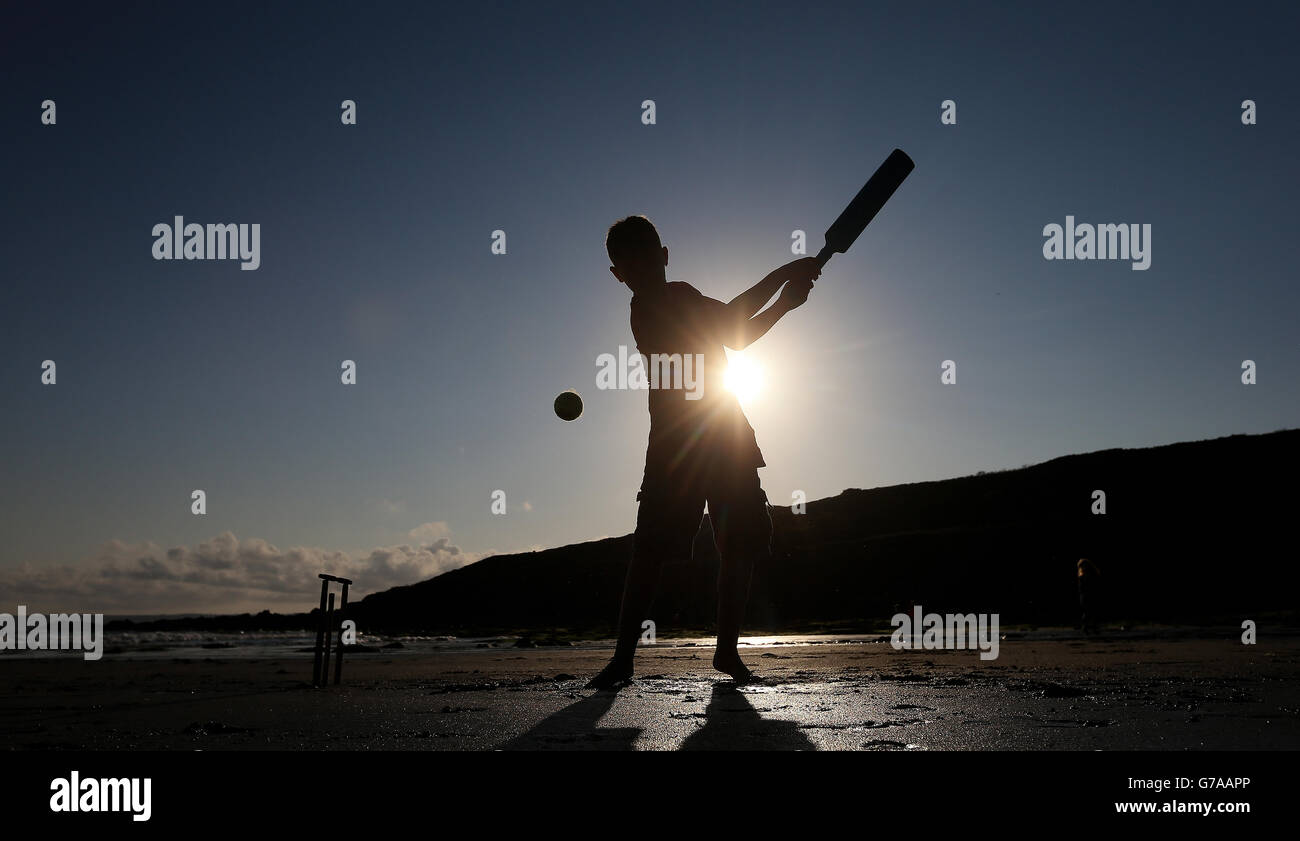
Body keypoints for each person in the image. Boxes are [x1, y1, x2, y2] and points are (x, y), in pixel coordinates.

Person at [587, 215, 819, 689]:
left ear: (661, 257)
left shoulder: (677, 297)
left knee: (735, 544)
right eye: (634, 265)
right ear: (623, 274)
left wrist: (786, 304)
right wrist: (781, 280)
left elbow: (736, 335)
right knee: (658, 548)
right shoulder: (655, 305)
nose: (643, 270)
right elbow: (734, 323)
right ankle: (629, 659)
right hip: (688, 443)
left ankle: (719, 653)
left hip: (716, 436)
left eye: (645, 260)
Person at [1077, 557, 1102, 634]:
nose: (1082, 567)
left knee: (1093, 611)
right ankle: (1086, 627)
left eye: (1083, 565)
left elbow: (1096, 585)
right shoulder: (1082, 576)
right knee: (1087, 612)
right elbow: (1081, 587)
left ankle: (1092, 627)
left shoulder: (1092, 574)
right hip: (1085, 595)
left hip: (1091, 594)